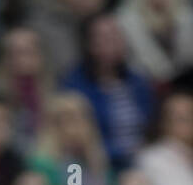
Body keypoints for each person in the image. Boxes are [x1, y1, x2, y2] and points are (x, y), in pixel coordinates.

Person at [61, 12, 154, 171]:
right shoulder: (74, 84)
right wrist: (121, 152)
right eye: (104, 37)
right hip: (93, 164)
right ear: (90, 44)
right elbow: (73, 137)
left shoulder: (138, 82)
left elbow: (152, 126)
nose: (112, 41)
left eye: (116, 35)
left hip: (142, 162)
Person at [114, 0, 193, 84]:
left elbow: (188, 58)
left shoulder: (186, 17)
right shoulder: (124, 19)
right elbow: (142, 61)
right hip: (139, 83)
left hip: (181, 82)